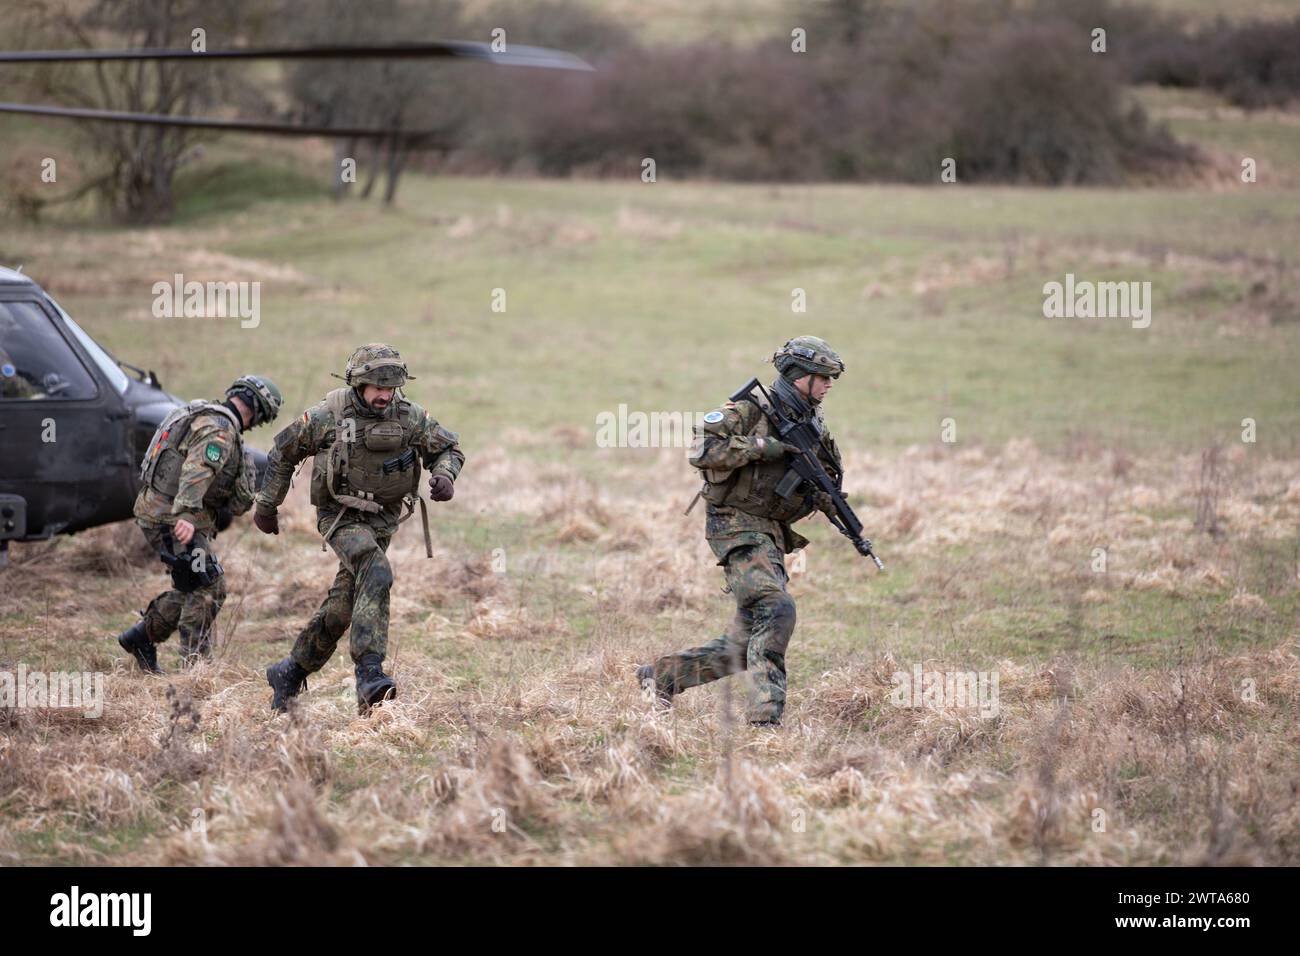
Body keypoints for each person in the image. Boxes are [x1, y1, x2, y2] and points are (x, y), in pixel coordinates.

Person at [638, 336, 847, 727]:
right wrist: (761, 446)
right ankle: (764, 719)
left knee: (743, 643)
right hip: (734, 524)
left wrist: (823, 497)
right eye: (823, 376)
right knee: (776, 607)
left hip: (769, 530)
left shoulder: (811, 424)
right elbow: (702, 451)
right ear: (799, 377)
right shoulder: (750, 410)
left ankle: (661, 677)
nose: (829, 384)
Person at [255, 343, 465, 715]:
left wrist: (445, 475)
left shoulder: (409, 416)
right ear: (358, 384)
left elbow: (448, 449)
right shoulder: (328, 416)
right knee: (376, 568)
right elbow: (284, 452)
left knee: (343, 607)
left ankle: (289, 672)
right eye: (377, 387)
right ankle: (369, 673)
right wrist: (267, 505)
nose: (385, 395)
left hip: (382, 521)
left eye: (390, 388)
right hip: (340, 517)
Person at [117, 375, 283, 672]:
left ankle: (141, 637)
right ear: (257, 412)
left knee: (191, 584)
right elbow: (198, 470)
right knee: (209, 586)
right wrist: (187, 516)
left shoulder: (204, 414)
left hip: (162, 512)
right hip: (170, 518)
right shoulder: (219, 431)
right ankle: (194, 667)